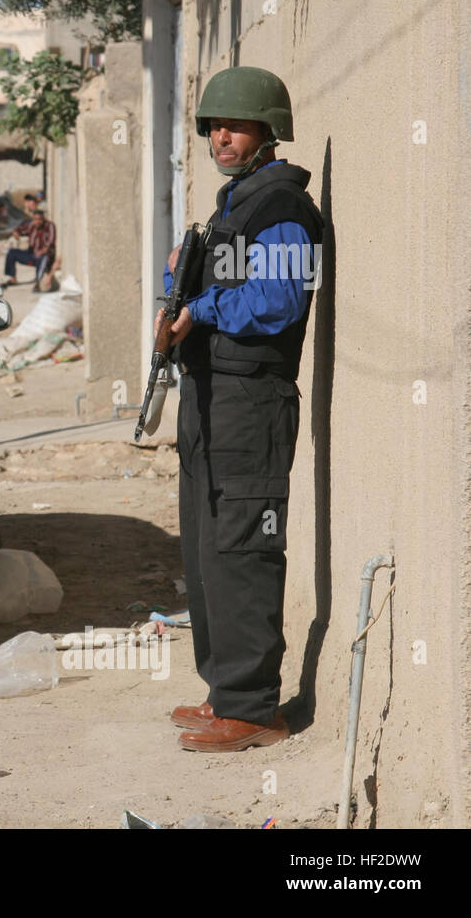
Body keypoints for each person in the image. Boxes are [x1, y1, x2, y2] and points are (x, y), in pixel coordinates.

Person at [159, 66, 323, 753]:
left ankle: (255, 710)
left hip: (251, 401)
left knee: (244, 548)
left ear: (267, 131)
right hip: (210, 397)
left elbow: (276, 305)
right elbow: (210, 284)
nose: (220, 136)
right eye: (213, 126)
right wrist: (179, 279)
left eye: (234, 125)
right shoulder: (236, 205)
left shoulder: (282, 212)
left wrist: (200, 305)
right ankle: (224, 689)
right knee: (206, 548)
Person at [3, 195, 57, 290]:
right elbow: (21, 230)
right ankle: (13, 278)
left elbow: (50, 244)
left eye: (39, 219)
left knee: (43, 258)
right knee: (11, 253)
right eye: (35, 219)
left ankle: (37, 283)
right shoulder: (32, 226)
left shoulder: (50, 226)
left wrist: (41, 251)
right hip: (31, 255)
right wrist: (15, 232)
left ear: (43, 219)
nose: (37, 222)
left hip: (44, 255)